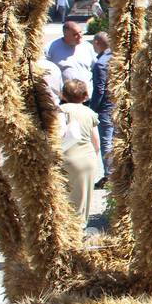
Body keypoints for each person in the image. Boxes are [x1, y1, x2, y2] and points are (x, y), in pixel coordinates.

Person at [59, 79, 101, 223]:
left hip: (65, 158)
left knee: (62, 198)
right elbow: (96, 141)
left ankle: (65, 231)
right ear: (85, 96)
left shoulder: (59, 111)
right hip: (87, 159)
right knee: (82, 200)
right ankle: (79, 230)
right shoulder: (90, 113)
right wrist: (95, 156)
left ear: (63, 95)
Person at [88, 32, 114, 183]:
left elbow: (99, 90)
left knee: (106, 141)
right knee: (116, 138)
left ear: (97, 43)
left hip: (105, 107)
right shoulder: (115, 58)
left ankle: (109, 174)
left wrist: (92, 109)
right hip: (117, 104)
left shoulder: (100, 64)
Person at [47, 21, 95, 86]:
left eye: (80, 32)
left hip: (87, 93)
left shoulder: (88, 46)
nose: (80, 36)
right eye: (75, 34)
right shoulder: (52, 48)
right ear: (65, 35)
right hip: (65, 94)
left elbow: (95, 68)